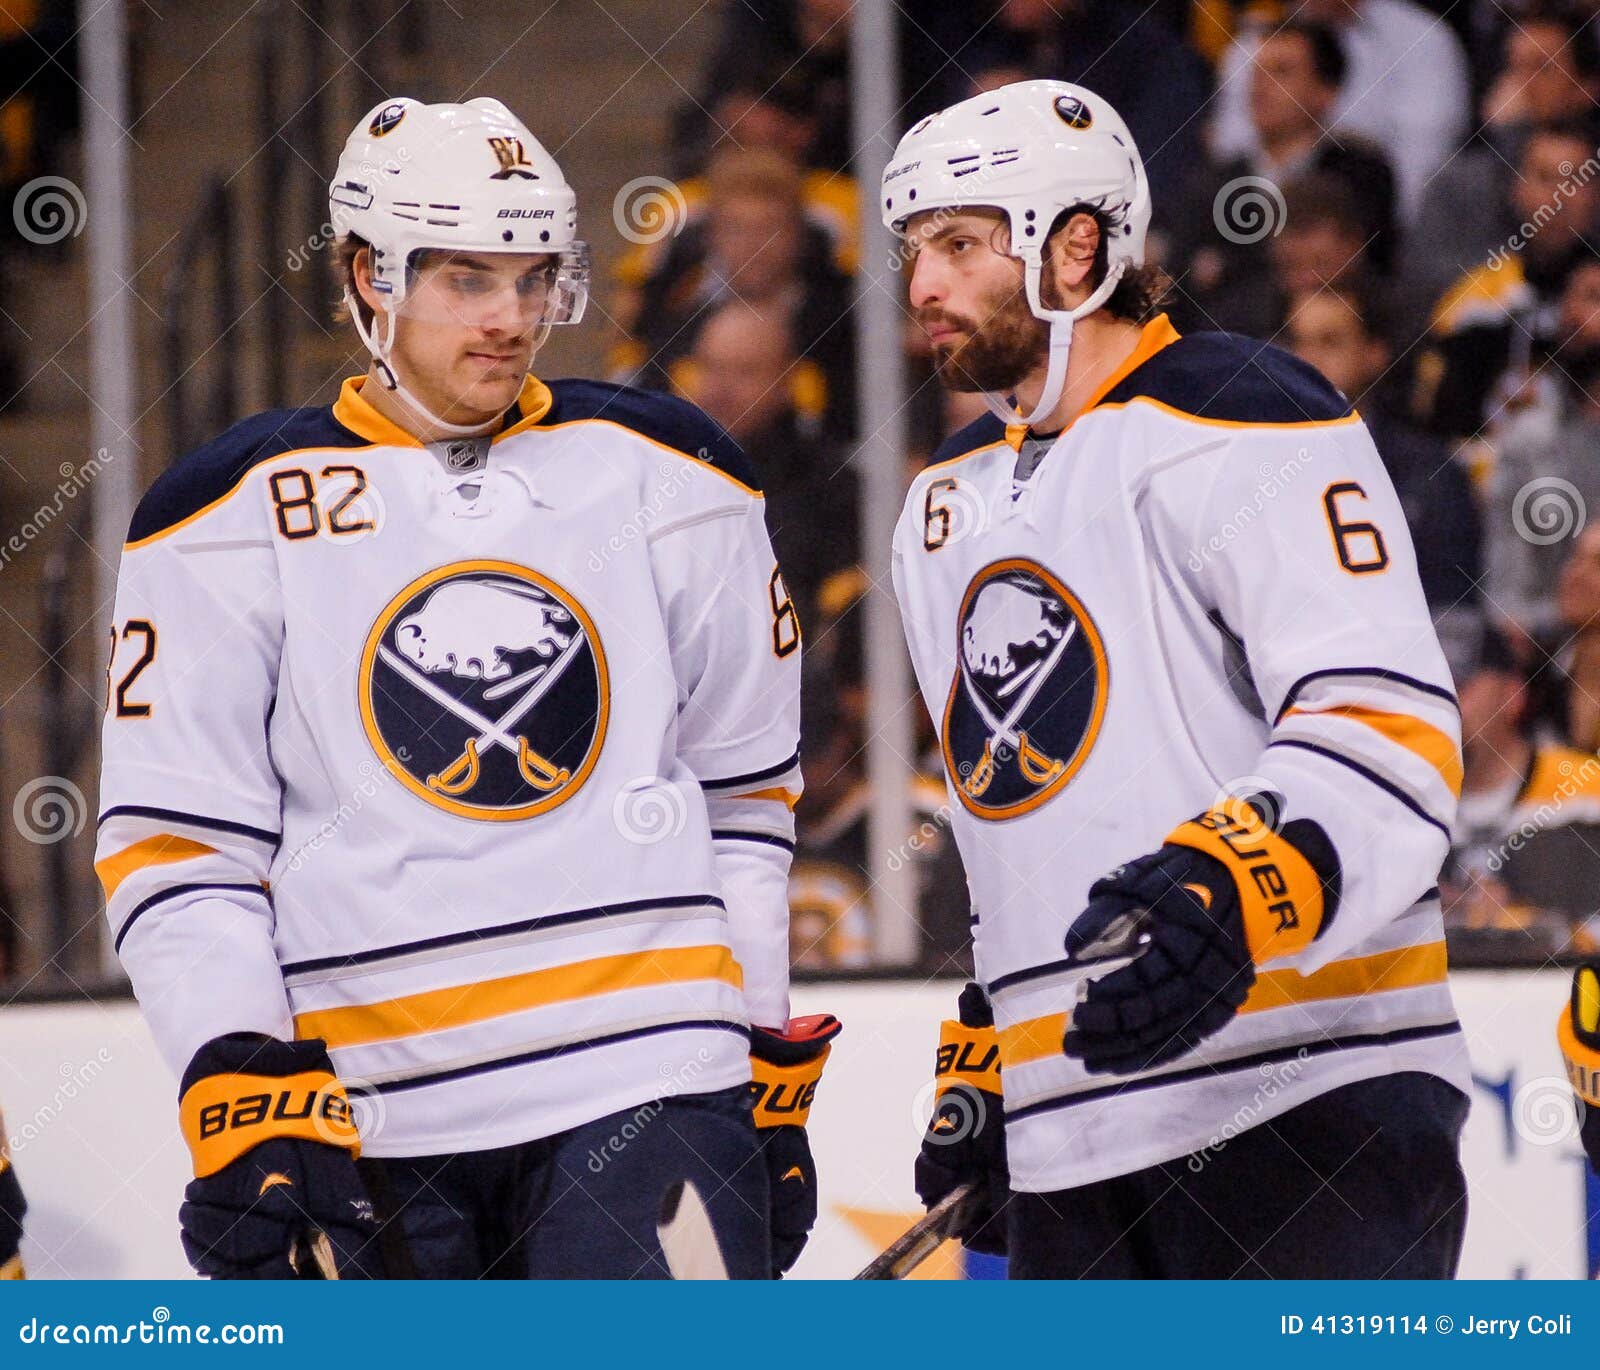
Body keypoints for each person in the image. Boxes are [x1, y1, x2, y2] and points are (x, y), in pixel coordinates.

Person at [95, 96, 835, 1280]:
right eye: (465, 278)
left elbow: (746, 801)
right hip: (374, 1111)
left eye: (534, 277)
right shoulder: (221, 512)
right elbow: (179, 852)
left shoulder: (674, 469)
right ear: (364, 275)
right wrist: (239, 1081)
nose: (510, 320)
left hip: (651, 1077)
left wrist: (759, 1058)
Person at [883, 79, 1471, 1278]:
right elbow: (1013, 816)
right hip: (1078, 1135)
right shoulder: (938, 505)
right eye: (912, 252)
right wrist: (997, 1048)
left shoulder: (1240, 411)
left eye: (955, 244)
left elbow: (1386, 727)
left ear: (1075, 246)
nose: (921, 288)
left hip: (1310, 1106)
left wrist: (1238, 888)